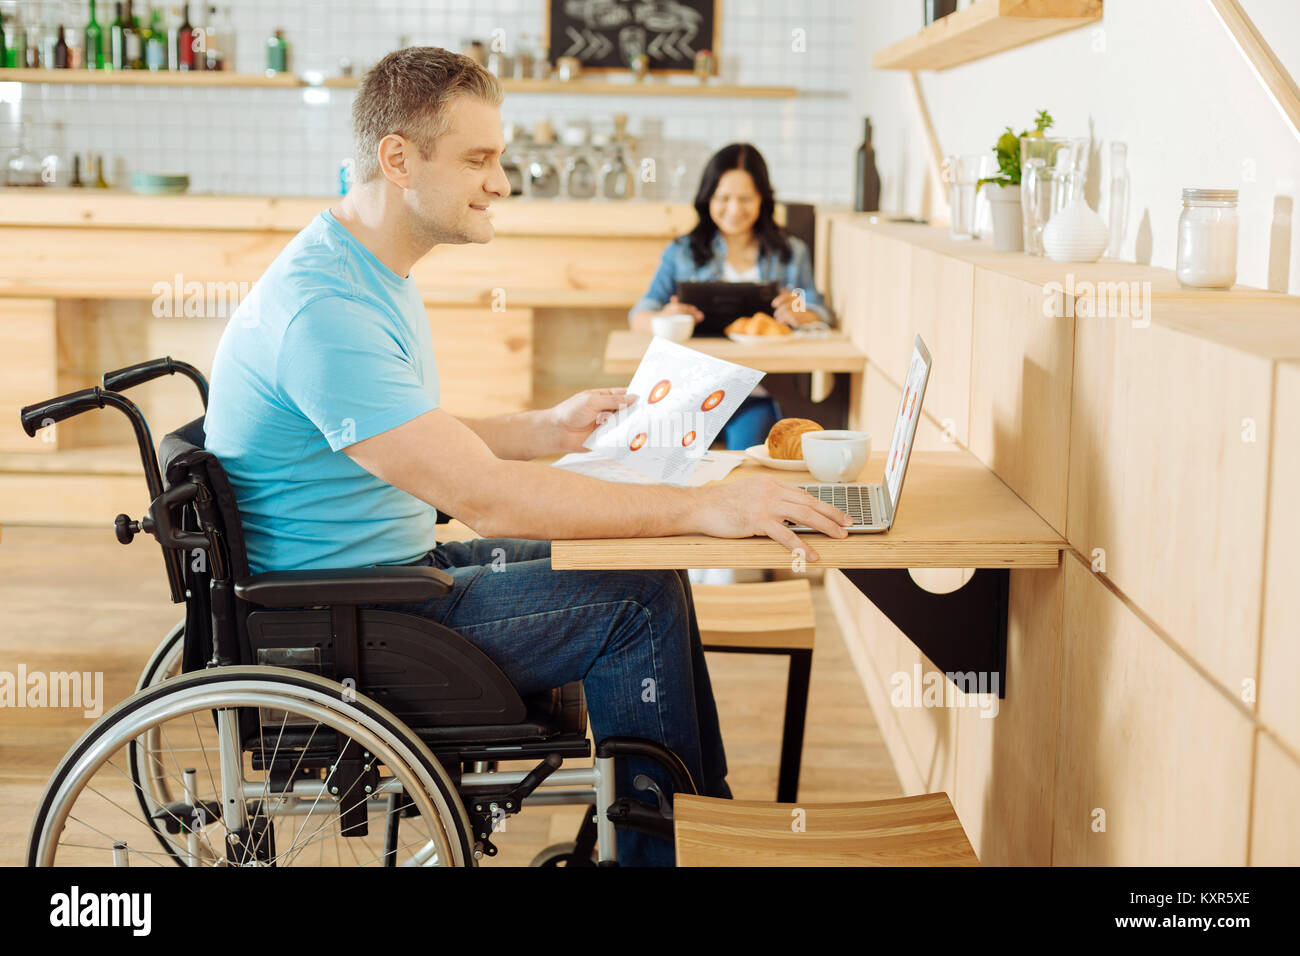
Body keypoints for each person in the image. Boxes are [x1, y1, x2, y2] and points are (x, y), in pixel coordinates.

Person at [204, 48, 852, 866]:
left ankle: (689, 817)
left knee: (644, 562)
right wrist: (705, 507)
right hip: (355, 620)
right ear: (398, 159)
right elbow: (490, 500)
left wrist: (547, 428)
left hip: (384, 580)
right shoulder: (324, 309)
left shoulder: (363, 268)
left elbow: (410, 430)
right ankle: (663, 845)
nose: (502, 182)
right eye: (479, 160)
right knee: (637, 599)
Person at [629, 143, 834, 451]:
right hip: (691, 390)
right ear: (707, 198)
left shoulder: (790, 252)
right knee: (665, 455)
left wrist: (801, 310)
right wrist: (664, 319)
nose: (734, 210)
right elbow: (639, 314)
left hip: (757, 392)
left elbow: (816, 307)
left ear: (763, 198)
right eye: (723, 198)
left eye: (745, 198)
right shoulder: (682, 251)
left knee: (745, 455)